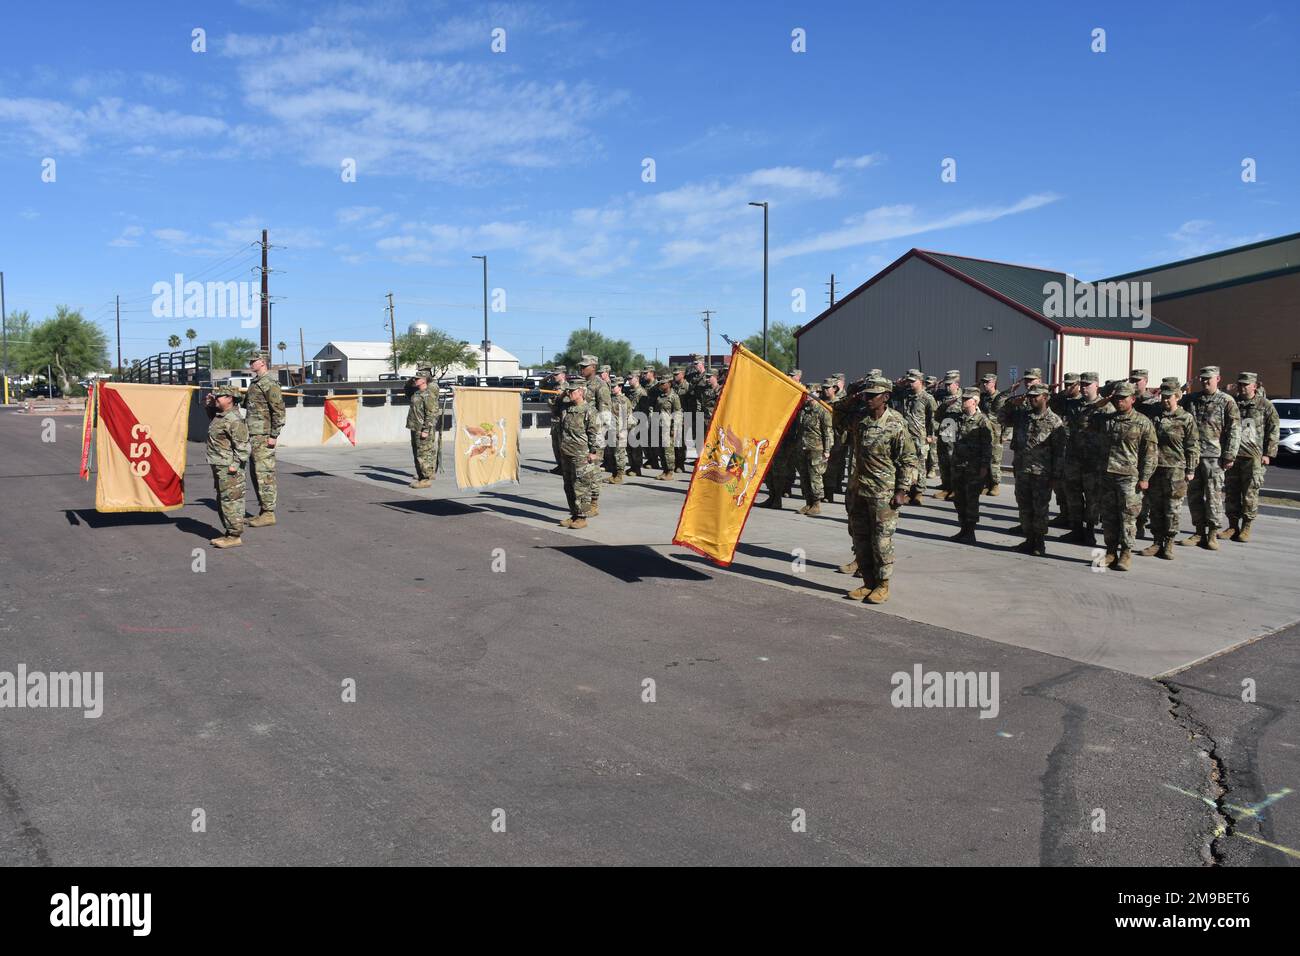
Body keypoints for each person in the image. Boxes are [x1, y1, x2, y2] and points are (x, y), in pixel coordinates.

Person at [844, 377, 917, 604]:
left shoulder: (896, 423)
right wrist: (853, 396)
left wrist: (902, 490)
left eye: (872, 395)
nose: (867, 398)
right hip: (859, 490)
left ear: (885, 397)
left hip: (883, 494)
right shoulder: (861, 420)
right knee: (861, 540)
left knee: (881, 542)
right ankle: (868, 583)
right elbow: (836, 414)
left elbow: (909, 459)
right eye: (865, 394)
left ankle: (883, 586)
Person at [1092, 381, 1158, 570]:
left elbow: (1150, 453)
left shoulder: (1143, 422)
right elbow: (1084, 419)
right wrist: (1099, 404)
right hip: (1107, 476)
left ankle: (1126, 554)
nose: (1119, 401)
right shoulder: (1107, 419)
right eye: (1116, 398)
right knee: (1109, 516)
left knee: (1128, 517)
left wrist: (1145, 478)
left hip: (1129, 478)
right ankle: (1111, 552)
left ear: (1133, 399)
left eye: (1123, 398)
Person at [998, 382, 1066, 556]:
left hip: (1042, 474)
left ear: (1045, 397)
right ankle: (1029, 539)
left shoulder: (1054, 421)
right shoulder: (1022, 416)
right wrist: (1012, 403)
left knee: (1040, 510)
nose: (1031, 399)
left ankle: (1039, 543)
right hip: (1022, 470)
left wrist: (1056, 476)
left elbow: (1060, 452)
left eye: (1035, 396)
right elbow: (1001, 417)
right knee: (1024, 507)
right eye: (1030, 396)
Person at [1181, 366, 1241, 549]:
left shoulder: (1226, 401)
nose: (1206, 381)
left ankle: (1213, 533)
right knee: (1194, 495)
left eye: (1209, 378)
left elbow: (1234, 429)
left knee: (1213, 496)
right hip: (1193, 456)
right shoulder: (1191, 400)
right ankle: (1199, 532)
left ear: (1218, 379)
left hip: (1214, 457)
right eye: (1203, 379)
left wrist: (1229, 455)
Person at [1140, 381, 1197, 560]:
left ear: (1177, 397)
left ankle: (1169, 543)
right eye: (1163, 397)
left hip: (1176, 470)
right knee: (1155, 507)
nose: (1164, 400)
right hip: (1155, 468)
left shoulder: (1186, 418)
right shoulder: (1155, 415)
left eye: (1168, 397)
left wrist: (1191, 468)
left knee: (1172, 508)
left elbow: (1193, 445)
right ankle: (1157, 542)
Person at [1223, 371, 1280, 543]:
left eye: (1246, 384)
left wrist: (1268, 454)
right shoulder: (1233, 404)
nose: (1242, 387)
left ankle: (1246, 527)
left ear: (1254, 386)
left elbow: (1274, 429)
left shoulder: (1265, 405)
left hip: (1253, 457)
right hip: (1234, 455)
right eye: (1240, 384)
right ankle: (1233, 526)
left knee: (1250, 493)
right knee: (1232, 492)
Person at [1061, 372, 1106, 546]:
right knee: (1073, 496)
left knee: (1093, 498)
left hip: (1094, 461)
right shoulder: (1073, 404)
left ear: (1097, 385)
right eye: (1082, 385)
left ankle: (1090, 531)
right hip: (1074, 458)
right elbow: (1054, 402)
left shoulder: (1105, 407)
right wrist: (1067, 390)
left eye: (1088, 384)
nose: (1084, 388)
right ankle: (1076, 529)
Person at [242, 351, 285, 527]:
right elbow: (248, 405)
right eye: (250, 361)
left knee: (265, 474)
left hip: (264, 435)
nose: (251, 364)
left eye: (254, 361)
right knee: (256, 473)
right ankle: (263, 510)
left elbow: (279, 411)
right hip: (253, 434)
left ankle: (268, 513)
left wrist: (274, 435)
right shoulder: (256, 383)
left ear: (263, 362)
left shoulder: (269, 383)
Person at [948, 387, 994, 544]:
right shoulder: (957, 418)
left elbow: (988, 446)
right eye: (962, 398)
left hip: (973, 468)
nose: (963, 401)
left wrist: (984, 467)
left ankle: (970, 531)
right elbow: (941, 417)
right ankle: (963, 529)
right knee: (959, 499)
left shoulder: (983, 421)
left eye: (966, 399)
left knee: (971, 500)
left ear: (975, 401)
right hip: (958, 466)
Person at [206, 386, 249, 549]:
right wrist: (209, 405)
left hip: (229, 467)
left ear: (230, 398)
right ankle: (229, 532)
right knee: (223, 500)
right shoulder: (221, 416)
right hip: (219, 464)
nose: (216, 398)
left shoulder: (234, 419)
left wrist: (235, 465)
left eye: (219, 396)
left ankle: (234, 535)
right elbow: (213, 422)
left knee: (232, 501)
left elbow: (243, 446)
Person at [558, 381, 600, 529]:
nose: (569, 393)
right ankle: (574, 514)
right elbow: (557, 403)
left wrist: (594, 452)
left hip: (581, 454)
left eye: (572, 391)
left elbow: (595, 432)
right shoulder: (567, 408)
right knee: (568, 485)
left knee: (581, 486)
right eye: (568, 391)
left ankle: (582, 517)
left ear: (581, 392)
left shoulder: (589, 410)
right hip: (566, 452)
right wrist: (564, 392)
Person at [1047, 372, 1083, 528]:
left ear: (1078, 385)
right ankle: (1064, 513)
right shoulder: (1062, 399)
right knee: (1060, 484)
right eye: (1066, 384)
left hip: (1077, 450)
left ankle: (1078, 520)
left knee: (1074, 487)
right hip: (1061, 447)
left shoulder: (1083, 402)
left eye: (1071, 385)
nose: (1068, 387)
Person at [898, 369, 937, 506]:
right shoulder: (905, 395)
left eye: (912, 381)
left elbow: (933, 419)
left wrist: (931, 435)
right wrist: (901, 384)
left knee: (920, 465)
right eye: (908, 381)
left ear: (920, 381)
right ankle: (909, 491)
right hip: (906, 436)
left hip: (920, 437)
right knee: (907, 465)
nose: (910, 384)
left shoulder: (927, 398)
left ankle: (919, 493)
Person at [795, 384, 835, 516]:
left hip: (817, 449)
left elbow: (828, 433)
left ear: (817, 394)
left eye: (810, 392)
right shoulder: (804, 410)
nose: (807, 395)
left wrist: (827, 450)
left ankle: (817, 504)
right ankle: (808, 502)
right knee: (804, 476)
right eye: (806, 392)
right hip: (803, 448)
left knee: (815, 477)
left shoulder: (823, 411)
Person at [577, 355, 610, 514]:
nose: (581, 369)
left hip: (595, 433)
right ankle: (585, 502)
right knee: (584, 470)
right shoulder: (581, 384)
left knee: (594, 470)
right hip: (582, 434)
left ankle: (594, 504)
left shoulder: (600, 385)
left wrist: (598, 438)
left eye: (585, 366)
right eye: (581, 367)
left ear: (593, 367)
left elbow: (605, 413)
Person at [405, 368, 439, 487]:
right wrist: (412, 380)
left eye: (417, 378)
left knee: (423, 453)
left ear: (424, 380)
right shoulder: (417, 393)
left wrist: (425, 430)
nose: (415, 380)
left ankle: (426, 479)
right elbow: (407, 387)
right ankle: (420, 477)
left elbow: (432, 414)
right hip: (415, 427)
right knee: (417, 453)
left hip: (423, 428)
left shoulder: (428, 395)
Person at [934, 370, 962, 499]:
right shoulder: (943, 398)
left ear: (957, 384)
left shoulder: (963, 398)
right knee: (943, 460)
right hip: (945, 431)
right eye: (946, 384)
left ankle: (956, 489)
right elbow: (938, 417)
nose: (947, 387)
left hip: (957, 435)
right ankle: (946, 486)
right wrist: (944, 405)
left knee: (954, 462)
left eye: (950, 384)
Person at [978, 372, 1005, 495]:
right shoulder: (982, 397)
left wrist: (1005, 435)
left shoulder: (1000, 398)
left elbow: (1006, 417)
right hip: (983, 433)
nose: (984, 384)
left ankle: (995, 485)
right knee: (984, 458)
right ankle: (986, 484)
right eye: (983, 382)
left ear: (994, 383)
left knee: (994, 460)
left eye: (987, 382)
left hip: (997, 433)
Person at [604, 377, 633, 484]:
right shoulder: (611, 399)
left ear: (620, 387)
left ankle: (619, 475)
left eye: (614, 387)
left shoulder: (624, 400)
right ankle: (614, 474)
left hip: (620, 431)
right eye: (611, 387)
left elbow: (628, 417)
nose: (612, 389)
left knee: (619, 454)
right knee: (611, 454)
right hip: (611, 430)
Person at [652, 376, 681, 480]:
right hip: (660, 426)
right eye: (660, 383)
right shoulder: (660, 396)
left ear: (669, 384)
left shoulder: (674, 397)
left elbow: (677, 413)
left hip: (668, 428)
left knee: (669, 451)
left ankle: (670, 472)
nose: (661, 385)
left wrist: (674, 429)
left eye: (663, 383)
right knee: (661, 450)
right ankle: (664, 470)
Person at [547, 366, 568, 474]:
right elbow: (550, 402)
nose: (554, 376)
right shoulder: (554, 387)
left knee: (563, 445)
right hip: (554, 420)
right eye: (553, 374)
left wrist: (561, 395)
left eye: (556, 374)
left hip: (562, 420)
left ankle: (565, 468)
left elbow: (569, 402)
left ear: (563, 375)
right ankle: (559, 465)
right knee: (555, 445)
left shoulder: (568, 387)